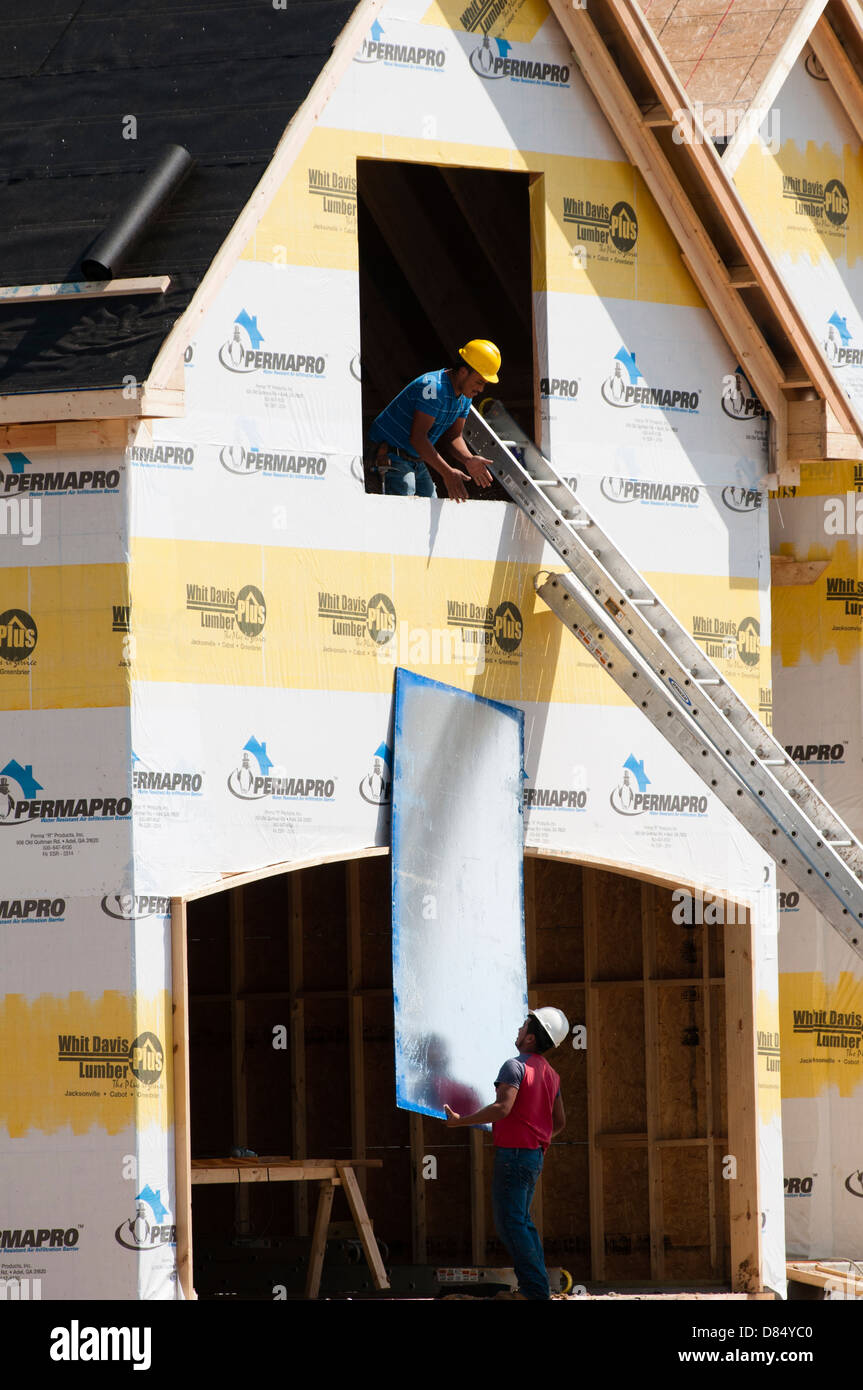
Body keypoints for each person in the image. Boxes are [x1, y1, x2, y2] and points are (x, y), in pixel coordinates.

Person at [443, 1006, 569, 1300]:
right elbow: (559, 1123)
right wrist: (537, 1137)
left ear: (530, 1039)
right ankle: (537, 1288)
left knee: (511, 1223)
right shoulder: (551, 1074)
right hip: (532, 1156)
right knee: (521, 1222)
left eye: (523, 1027)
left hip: (514, 1156)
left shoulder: (514, 1066)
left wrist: (460, 1121)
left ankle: (535, 1292)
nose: (518, 1030)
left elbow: (502, 1108)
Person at [367, 339, 501, 501]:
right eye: (479, 382)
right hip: (390, 454)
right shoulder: (433, 388)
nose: (480, 389)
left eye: (484, 384)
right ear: (463, 372)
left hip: (415, 457)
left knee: (430, 505)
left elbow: (453, 437)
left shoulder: (465, 397)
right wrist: (447, 472)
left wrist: (468, 459)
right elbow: (418, 438)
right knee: (404, 515)